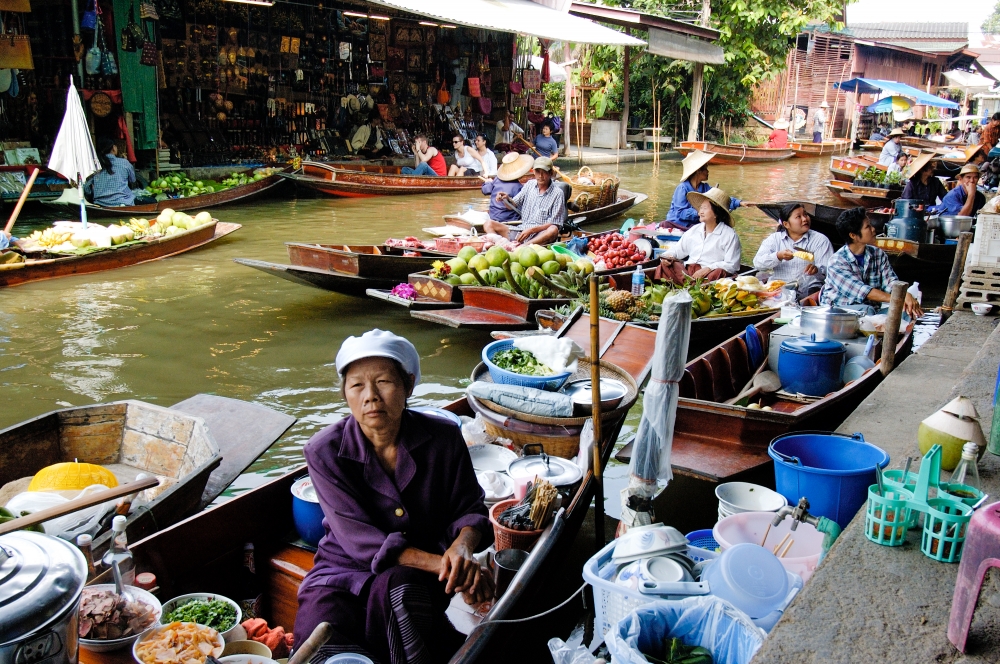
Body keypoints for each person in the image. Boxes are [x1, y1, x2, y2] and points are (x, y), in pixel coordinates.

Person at [293, 329, 493, 664]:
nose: (370, 396)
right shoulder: (324, 450)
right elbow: (361, 543)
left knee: (398, 589)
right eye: (357, 385)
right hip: (344, 574)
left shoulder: (443, 437)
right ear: (345, 393)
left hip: (414, 581)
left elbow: (469, 509)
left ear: (408, 385)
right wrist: (449, 568)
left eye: (384, 381)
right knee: (318, 643)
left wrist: (463, 547)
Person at [820, 207, 923, 318]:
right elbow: (863, 291)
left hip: (871, 312)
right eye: (868, 227)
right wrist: (899, 298)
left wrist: (904, 295)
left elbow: (890, 283)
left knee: (905, 311)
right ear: (853, 235)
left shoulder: (878, 254)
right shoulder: (837, 262)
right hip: (838, 314)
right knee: (867, 309)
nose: (873, 229)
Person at [658, 187, 742, 284]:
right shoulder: (695, 230)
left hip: (709, 275)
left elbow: (732, 265)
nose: (700, 212)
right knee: (665, 265)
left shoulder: (729, 235)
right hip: (688, 273)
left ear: (716, 213)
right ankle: (690, 285)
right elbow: (678, 250)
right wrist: (668, 256)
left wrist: (708, 268)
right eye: (700, 208)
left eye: (705, 208)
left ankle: (691, 286)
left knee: (719, 272)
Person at [753, 202, 834, 299]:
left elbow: (830, 273)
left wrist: (816, 270)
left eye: (805, 214)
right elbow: (758, 263)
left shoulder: (820, 240)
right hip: (779, 289)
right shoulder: (774, 239)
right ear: (786, 224)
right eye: (798, 217)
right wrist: (778, 256)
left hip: (808, 291)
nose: (805, 219)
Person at [489, 156, 565, 245]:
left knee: (553, 229)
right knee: (489, 224)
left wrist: (532, 230)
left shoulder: (558, 193)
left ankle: (523, 247)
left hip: (540, 235)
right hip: (521, 231)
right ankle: (503, 246)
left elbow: (555, 223)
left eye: (544, 172)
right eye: (538, 172)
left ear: (551, 173)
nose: (540, 176)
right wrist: (506, 199)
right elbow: (512, 205)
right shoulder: (529, 184)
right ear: (534, 172)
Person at [662, 150, 742, 231]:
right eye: (705, 169)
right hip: (677, 224)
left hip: (695, 226)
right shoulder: (682, 188)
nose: (708, 171)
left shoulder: (705, 188)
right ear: (698, 171)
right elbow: (680, 213)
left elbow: (720, 198)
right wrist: (701, 211)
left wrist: (739, 203)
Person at [85, 137, 143, 207]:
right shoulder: (124, 163)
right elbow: (132, 180)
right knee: (152, 201)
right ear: (114, 148)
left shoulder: (95, 165)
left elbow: (87, 190)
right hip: (122, 203)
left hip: (100, 204)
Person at [481, 153, 532, 224]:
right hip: (509, 219)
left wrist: (488, 182)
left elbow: (486, 190)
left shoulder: (497, 180)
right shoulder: (519, 187)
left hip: (493, 217)